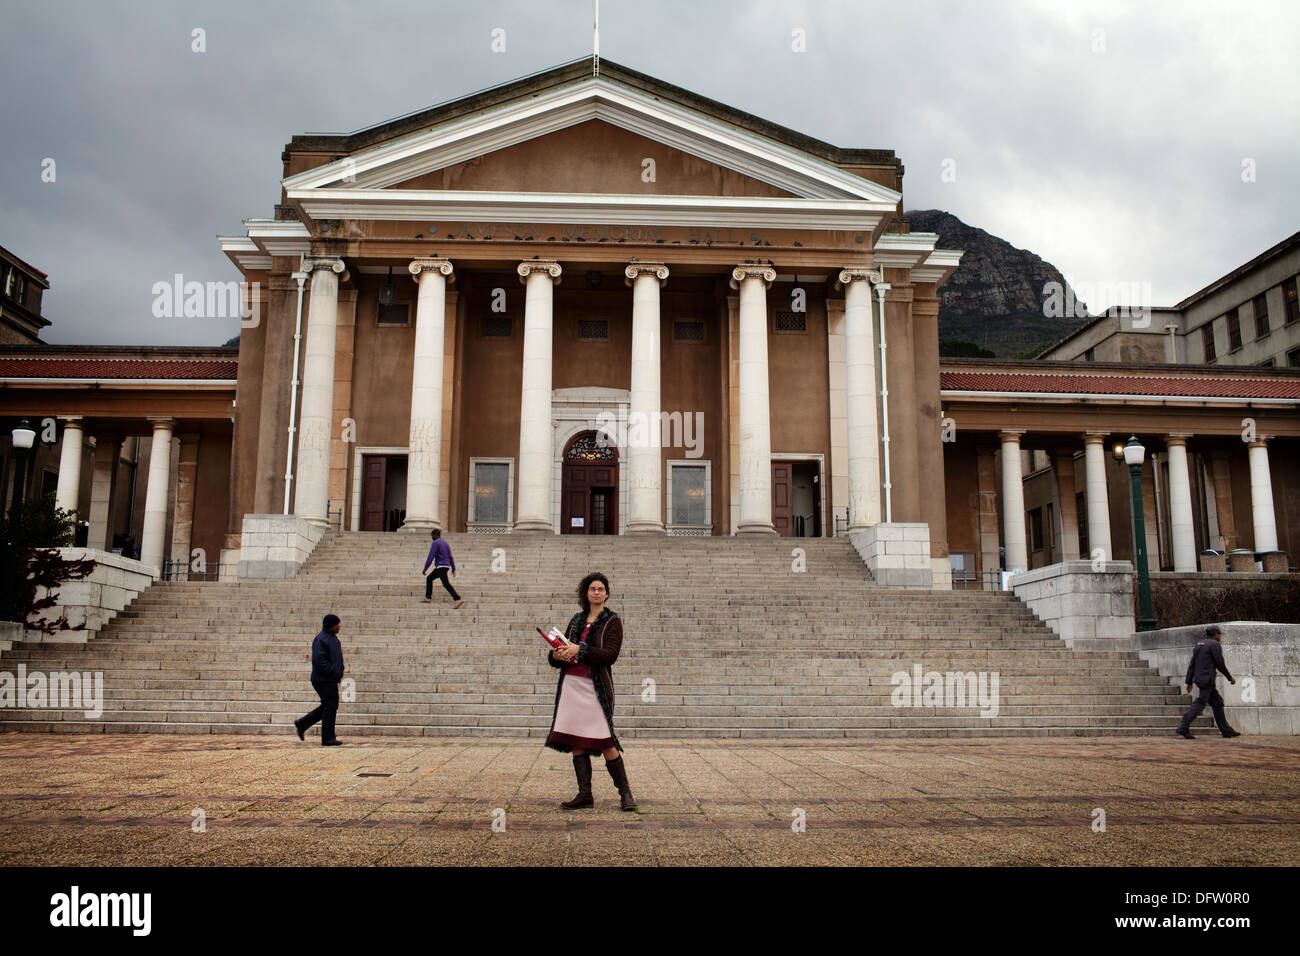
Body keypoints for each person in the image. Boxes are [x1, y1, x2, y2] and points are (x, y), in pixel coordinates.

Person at [544, 572, 636, 811]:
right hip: (572, 686)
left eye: (601, 589)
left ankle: (625, 794)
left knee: (606, 741)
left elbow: (610, 655)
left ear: (606, 594)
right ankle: (585, 794)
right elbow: (564, 648)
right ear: (586, 593)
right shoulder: (576, 620)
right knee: (577, 740)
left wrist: (579, 650)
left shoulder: (612, 621)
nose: (597, 592)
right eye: (592, 589)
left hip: (595, 689)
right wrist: (558, 654)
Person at [1176, 624, 1240, 739]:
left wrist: (1189, 681)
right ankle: (1183, 727)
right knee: (1200, 703)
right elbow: (1219, 663)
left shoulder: (1199, 644)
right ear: (1215, 634)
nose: (1220, 636)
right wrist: (1229, 677)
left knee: (1217, 702)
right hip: (1207, 679)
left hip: (1200, 678)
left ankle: (1226, 730)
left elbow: (1192, 663)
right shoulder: (1214, 645)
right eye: (1219, 634)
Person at [294, 613, 344, 746]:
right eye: (337, 624)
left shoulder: (331, 638)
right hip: (323, 679)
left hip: (329, 678)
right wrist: (333, 671)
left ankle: (302, 723)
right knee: (330, 705)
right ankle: (327, 738)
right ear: (331, 625)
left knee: (329, 706)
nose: (339, 626)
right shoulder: (322, 639)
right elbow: (319, 660)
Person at [421, 528, 463, 608]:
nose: (432, 538)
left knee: (446, 583)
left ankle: (457, 599)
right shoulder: (445, 543)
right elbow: (451, 557)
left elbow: (431, 556)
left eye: (432, 536)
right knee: (429, 578)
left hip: (441, 566)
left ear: (434, 535)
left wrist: (425, 568)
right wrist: (453, 569)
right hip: (446, 565)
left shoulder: (435, 543)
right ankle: (428, 597)